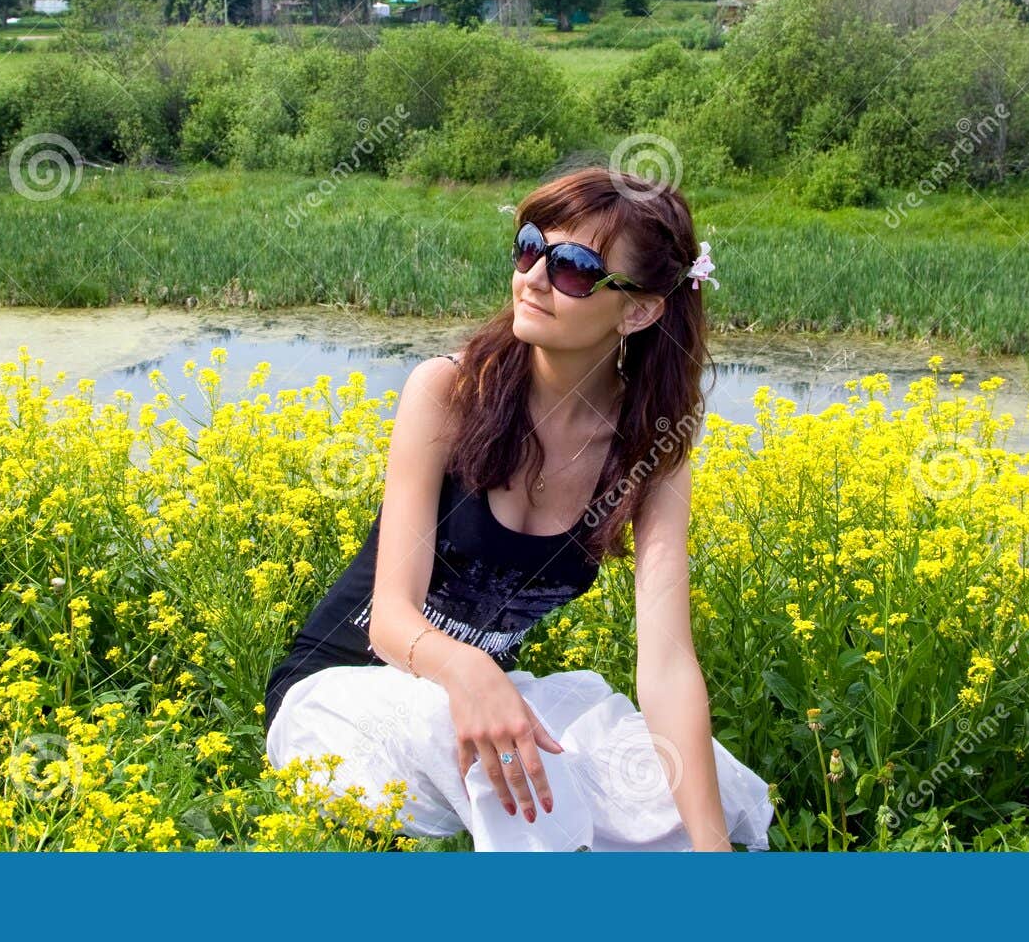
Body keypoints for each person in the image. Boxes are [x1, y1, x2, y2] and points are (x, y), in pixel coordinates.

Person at [262, 164, 774, 851]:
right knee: (519, 777)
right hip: (339, 697)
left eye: (572, 267)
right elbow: (388, 620)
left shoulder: (649, 449)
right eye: (529, 246)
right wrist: (470, 670)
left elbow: (667, 664)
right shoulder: (448, 391)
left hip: (481, 701)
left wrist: (713, 851)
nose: (532, 276)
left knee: (688, 778)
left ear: (639, 308)